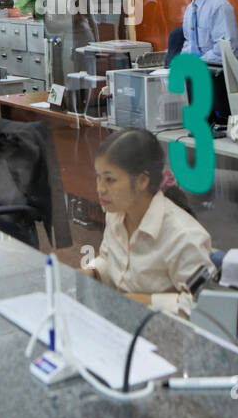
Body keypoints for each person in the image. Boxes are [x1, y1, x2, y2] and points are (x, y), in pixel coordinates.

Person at [88, 129, 214, 316]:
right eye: (98, 177)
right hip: (125, 317)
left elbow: (205, 306)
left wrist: (144, 301)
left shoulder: (184, 237)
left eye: (109, 180)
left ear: (142, 181)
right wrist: (92, 272)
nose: (100, 188)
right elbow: (109, 259)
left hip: (163, 328)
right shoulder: (115, 214)